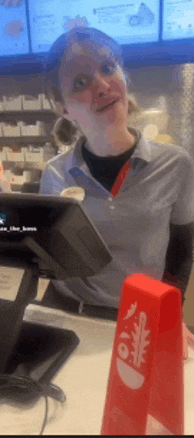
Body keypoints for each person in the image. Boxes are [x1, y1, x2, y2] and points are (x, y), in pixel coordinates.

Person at [40, 27, 194, 359]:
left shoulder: (176, 164)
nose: (103, 85)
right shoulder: (54, 173)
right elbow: (48, 255)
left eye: (108, 68)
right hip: (66, 316)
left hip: (140, 321)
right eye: (80, 83)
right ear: (62, 107)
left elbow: (181, 250)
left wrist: (171, 311)